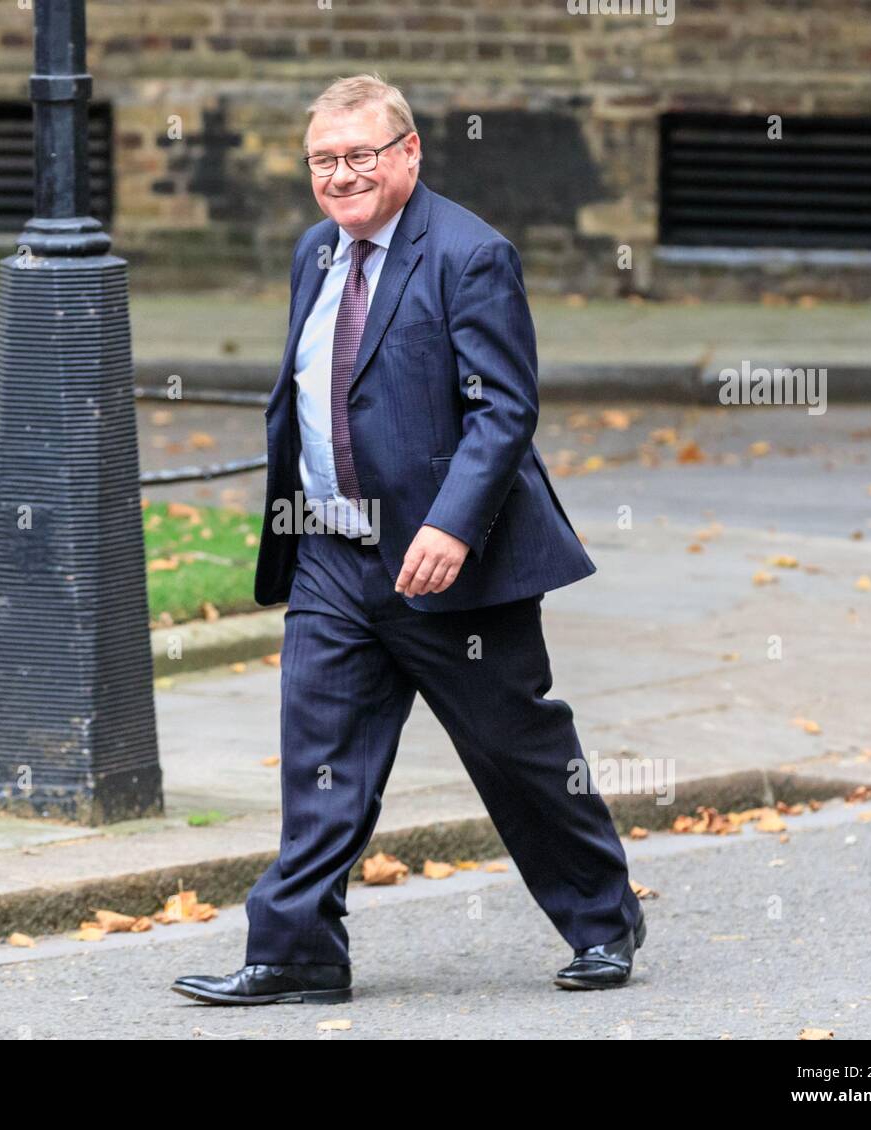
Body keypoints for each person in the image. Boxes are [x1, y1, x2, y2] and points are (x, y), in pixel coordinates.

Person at [171, 73, 645, 1006]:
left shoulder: (469, 255)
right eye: (323, 160)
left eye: (360, 156)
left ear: (410, 153)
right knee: (321, 758)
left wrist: (451, 525)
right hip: (333, 553)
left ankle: (603, 920)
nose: (341, 177)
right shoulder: (316, 252)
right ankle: (299, 951)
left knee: (518, 752)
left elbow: (504, 410)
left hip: (446, 566)